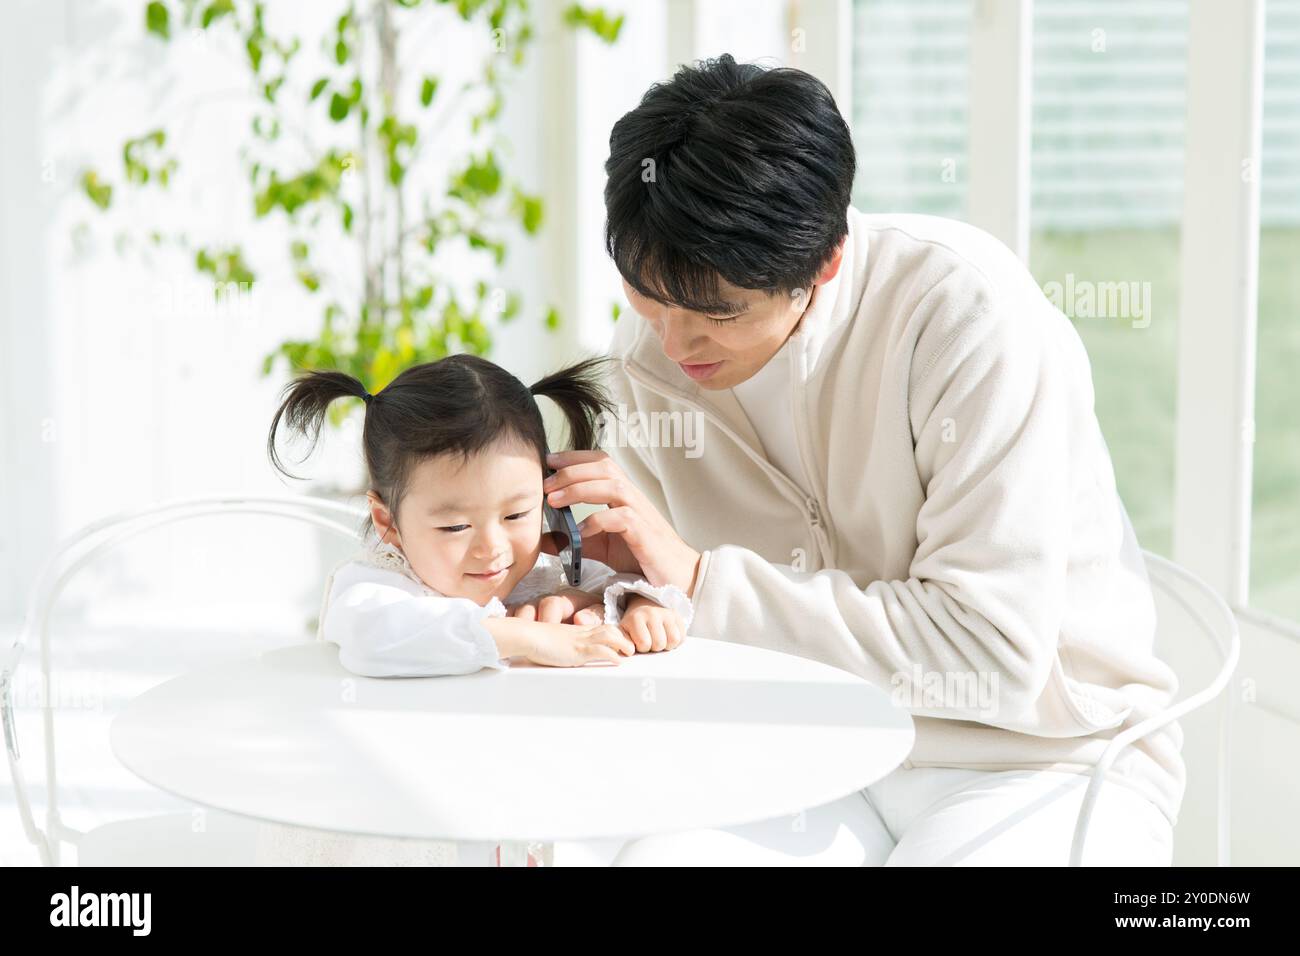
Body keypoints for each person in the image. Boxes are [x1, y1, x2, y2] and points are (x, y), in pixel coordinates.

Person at [538, 54, 1183, 865]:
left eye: (717, 313)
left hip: (1038, 756)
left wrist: (701, 583)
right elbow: (666, 608)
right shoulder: (645, 358)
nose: (674, 342)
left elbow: (988, 660)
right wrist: (597, 597)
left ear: (826, 260)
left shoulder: (964, 317)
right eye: (647, 296)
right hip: (806, 749)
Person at [259, 354, 692, 866]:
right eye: (454, 527)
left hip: (505, 827)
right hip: (390, 837)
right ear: (388, 521)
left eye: (516, 513)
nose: (492, 548)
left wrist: (639, 602)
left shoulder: (542, 573)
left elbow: (612, 590)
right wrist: (525, 637)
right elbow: (373, 636)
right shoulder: (378, 586)